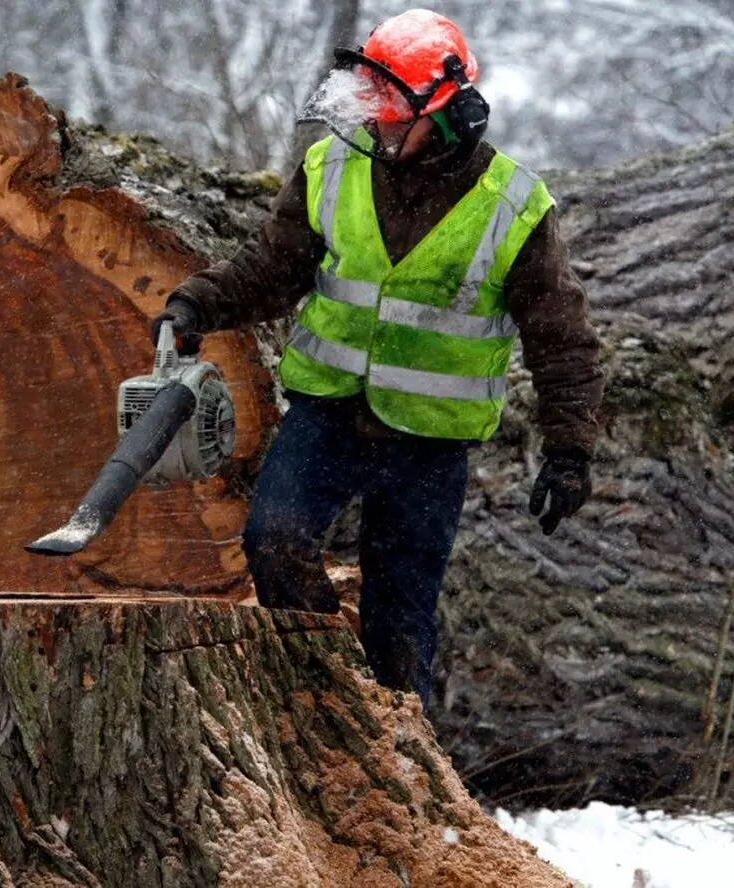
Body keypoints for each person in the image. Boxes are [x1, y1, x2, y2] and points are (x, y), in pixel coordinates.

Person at [150, 9, 604, 707]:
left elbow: (561, 335)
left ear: (450, 110)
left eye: (397, 111)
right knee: (274, 539)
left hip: (430, 441)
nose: (381, 123)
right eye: (375, 105)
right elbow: (273, 268)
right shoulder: (332, 165)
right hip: (328, 412)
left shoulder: (513, 204)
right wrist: (197, 306)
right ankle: (321, 704)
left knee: (401, 621)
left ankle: (399, 748)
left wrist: (570, 450)